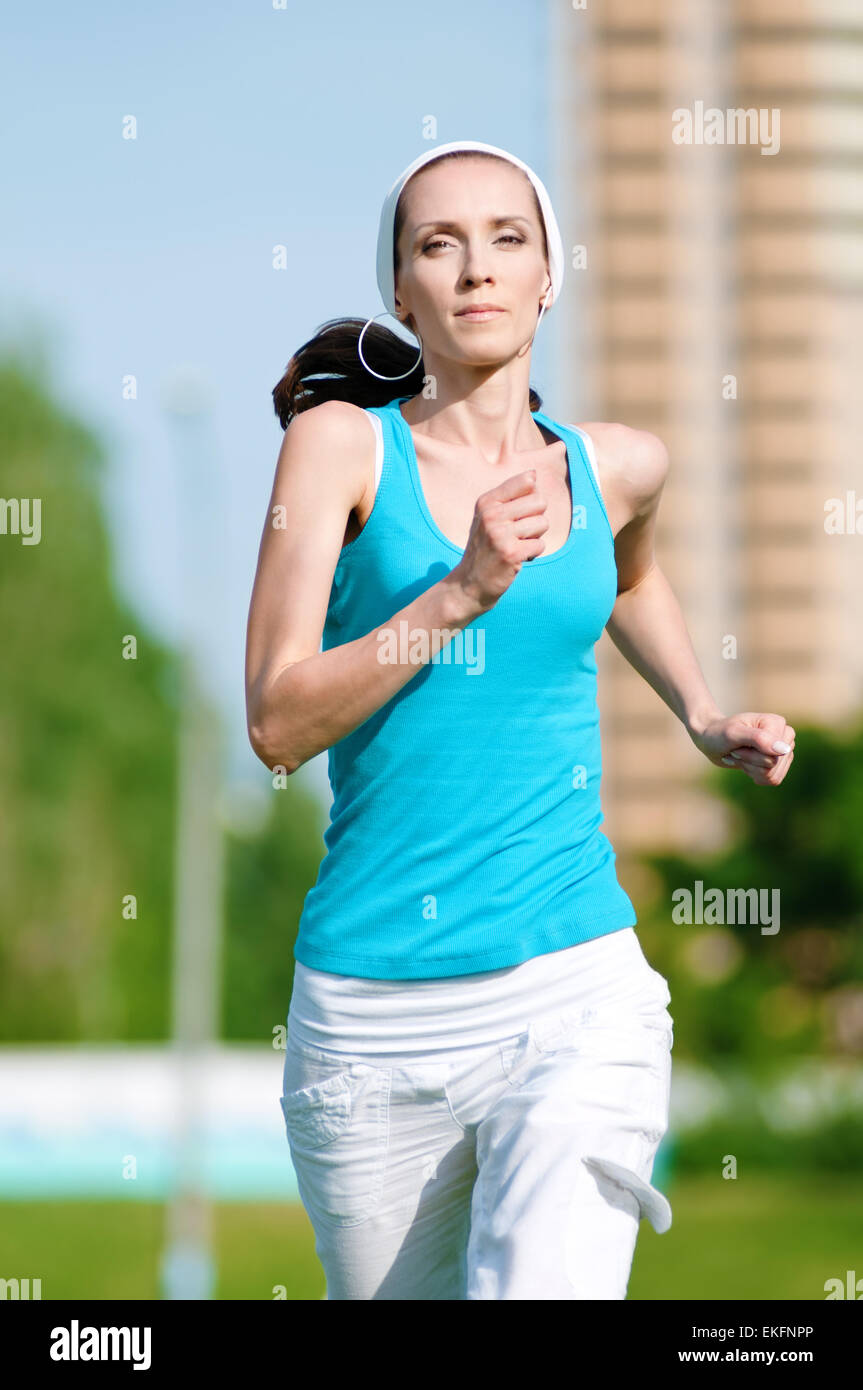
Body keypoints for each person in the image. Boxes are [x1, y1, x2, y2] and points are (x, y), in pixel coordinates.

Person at [244, 139, 795, 1300]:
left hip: (570, 982)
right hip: (369, 1019)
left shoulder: (618, 468)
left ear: (551, 273)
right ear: (402, 288)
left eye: (506, 239)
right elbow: (276, 722)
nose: (475, 268)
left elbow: (629, 578)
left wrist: (698, 711)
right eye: (437, 244)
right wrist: (459, 591)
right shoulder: (339, 448)